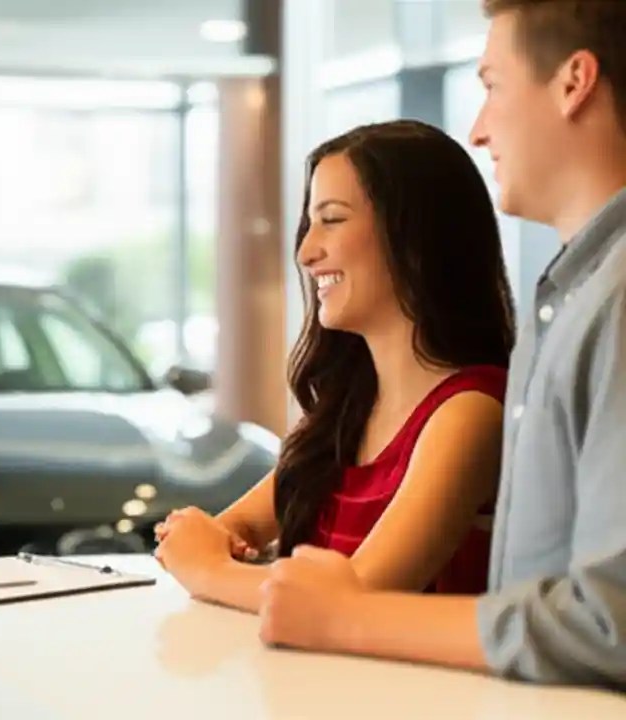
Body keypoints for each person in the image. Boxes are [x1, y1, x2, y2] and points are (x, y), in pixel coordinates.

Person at [256, 0, 626, 689]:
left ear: (574, 82)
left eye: (492, 86)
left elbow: (610, 622)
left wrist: (347, 617)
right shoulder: (572, 298)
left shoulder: (609, 303)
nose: (479, 129)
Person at [153, 120, 516, 612]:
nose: (306, 252)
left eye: (332, 219)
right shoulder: (346, 409)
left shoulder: (471, 411)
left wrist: (207, 569)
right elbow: (235, 528)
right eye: (310, 223)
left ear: (415, 235)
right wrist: (209, 544)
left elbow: (355, 599)